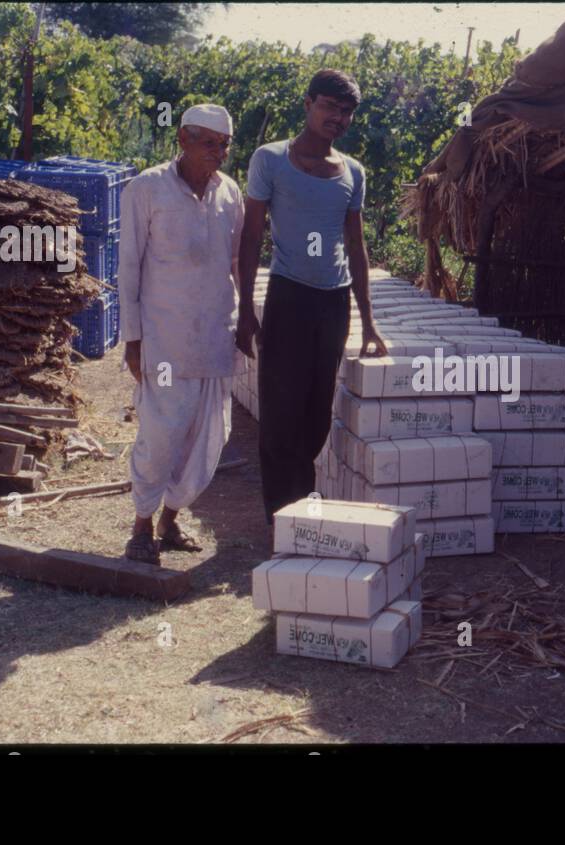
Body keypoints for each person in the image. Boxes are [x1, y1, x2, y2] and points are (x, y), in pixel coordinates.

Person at [236, 70, 387, 524]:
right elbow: (251, 237)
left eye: (346, 112)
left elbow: (357, 249)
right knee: (280, 411)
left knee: (317, 413)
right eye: (329, 107)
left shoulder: (352, 172)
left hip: (333, 303)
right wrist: (245, 308)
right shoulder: (271, 160)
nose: (337, 118)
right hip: (288, 297)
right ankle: (282, 520)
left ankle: (301, 510)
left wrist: (370, 322)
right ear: (307, 104)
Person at [118, 104, 245, 566]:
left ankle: (171, 519)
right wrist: (132, 340)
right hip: (164, 339)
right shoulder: (147, 188)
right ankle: (141, 526)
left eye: (225, 144)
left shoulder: (230, 194)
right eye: (209, 142)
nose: (219, 152)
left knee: (209, 434)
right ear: (183, 141)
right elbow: (128, 267)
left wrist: (245, 321)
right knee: (161, 433)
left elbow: (234, 265)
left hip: (214, 334)